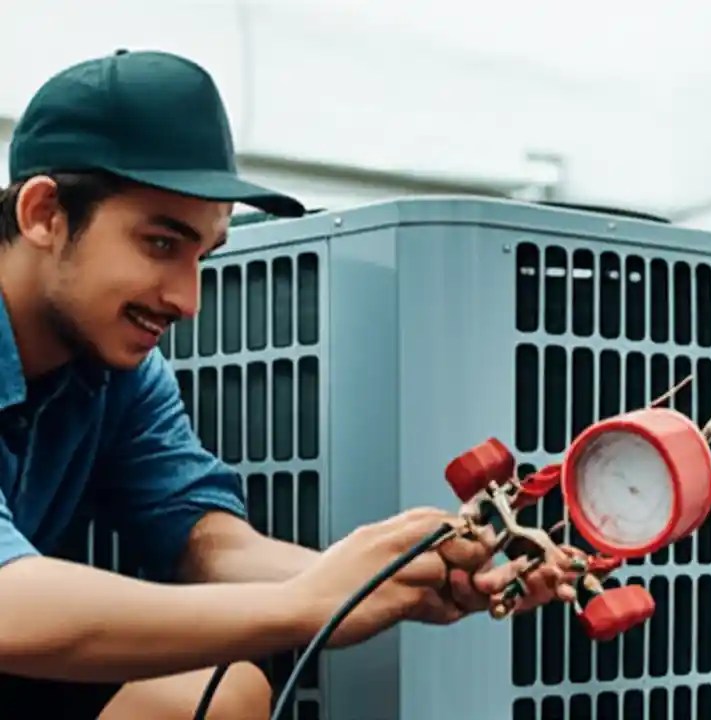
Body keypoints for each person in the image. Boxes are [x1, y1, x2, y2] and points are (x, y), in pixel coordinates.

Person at [0, 50, 579, 719]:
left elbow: (206, 543)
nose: (188, 300)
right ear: (44, 214)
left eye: (203, 257)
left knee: (220, 691)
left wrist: (395, 575)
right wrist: (299, 604)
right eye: (161, 243)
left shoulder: (119, 375)